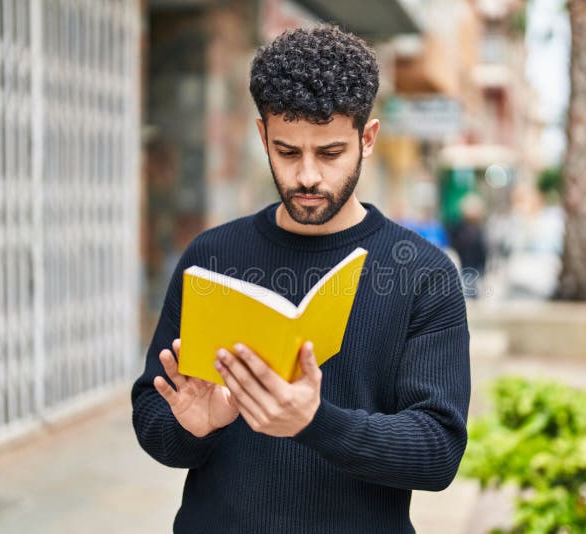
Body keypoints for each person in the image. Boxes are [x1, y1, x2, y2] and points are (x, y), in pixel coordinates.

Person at [131, 25, 471, 534]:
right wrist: (193, 428)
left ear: (368, 138)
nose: (308, 175)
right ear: (263, 135)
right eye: (288, 152)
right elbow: (153, 415)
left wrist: (316, 423)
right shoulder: (212, 256)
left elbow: (437, 452)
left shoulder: (424, 273)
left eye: (330, 153)